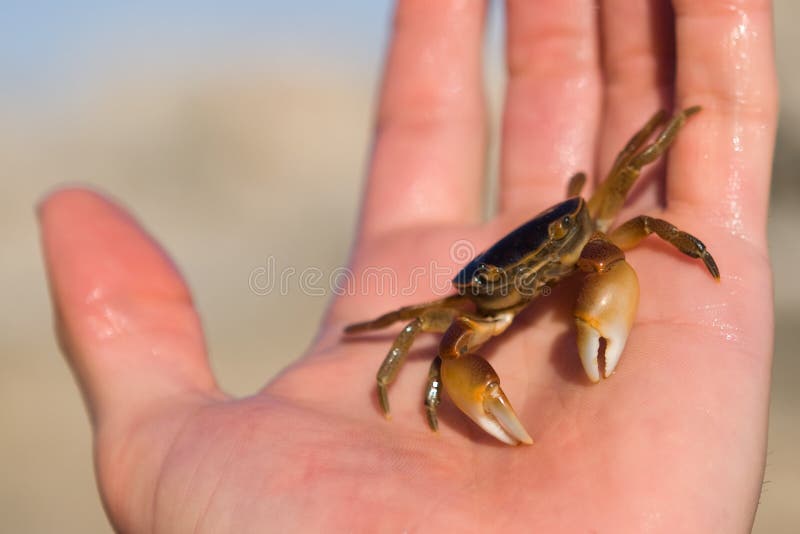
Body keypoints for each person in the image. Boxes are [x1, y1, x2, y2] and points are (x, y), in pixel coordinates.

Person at [38, 1, 777, 531]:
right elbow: (411, 335)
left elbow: (639, 176)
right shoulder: (476, 306)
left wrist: (674, 131)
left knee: (637, 217)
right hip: (496, 285)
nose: (539, 284)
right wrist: (413, 380)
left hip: (570, 232)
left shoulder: (584, 222)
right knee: (429, 340)